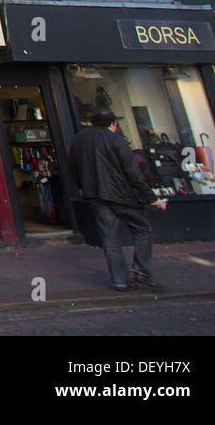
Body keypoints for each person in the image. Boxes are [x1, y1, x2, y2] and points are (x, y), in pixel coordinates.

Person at [70, 108, 168, 291]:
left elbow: (73, 168)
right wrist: (151, 198)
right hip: (122, 195)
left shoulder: (78, 140)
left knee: (110, 238)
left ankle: (120, 281)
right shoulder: (118, 140)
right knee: (142, 229)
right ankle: (141, 270)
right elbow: (133, 174)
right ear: (113, 124)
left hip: (96, 195)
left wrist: (83, 189)